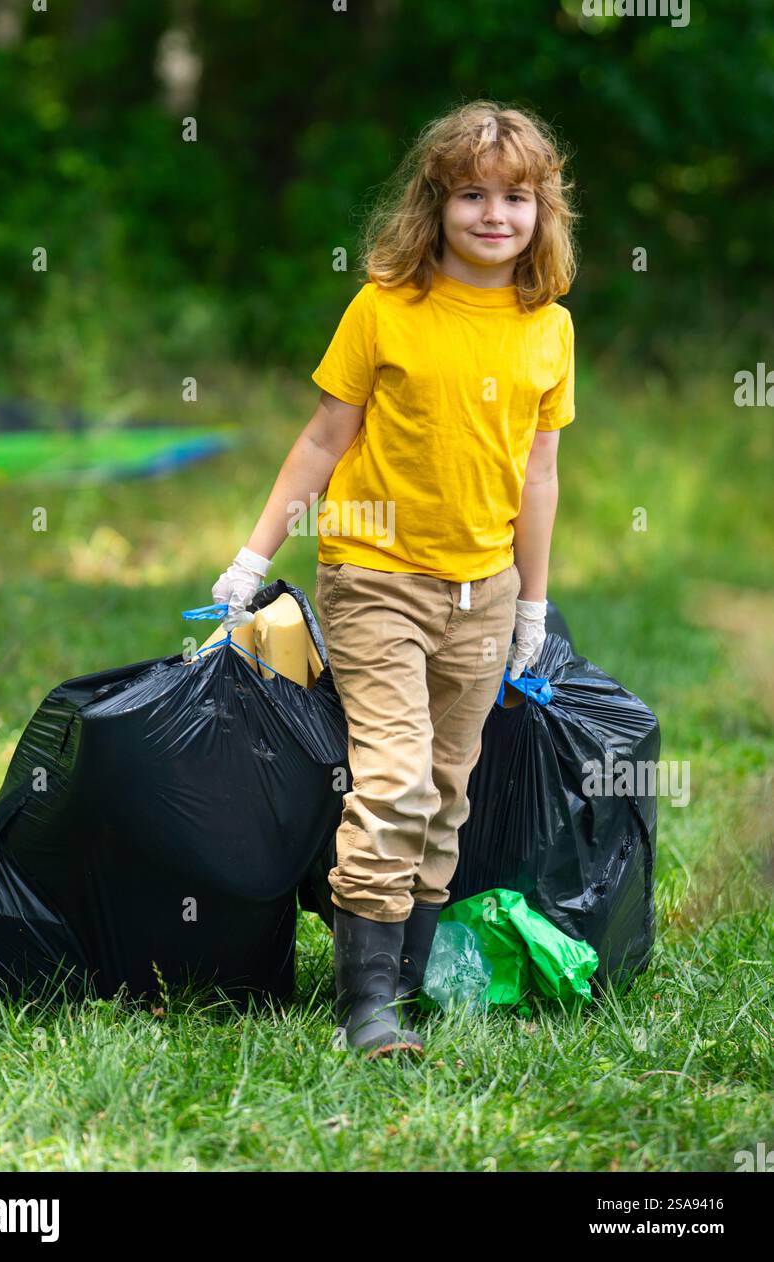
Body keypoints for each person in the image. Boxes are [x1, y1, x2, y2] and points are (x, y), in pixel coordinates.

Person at [212, 100, 578, 1060]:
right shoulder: (385, 305)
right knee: (395, 778)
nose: (494, 214)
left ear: (543, 212)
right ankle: (362, 1005)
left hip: (483, 591)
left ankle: (403, 985)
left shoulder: (548, 328)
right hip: (376, 577)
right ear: (435, 203)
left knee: (447, 790)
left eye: (515, 197)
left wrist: (531, 603)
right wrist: (256, 556)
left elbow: (538, 475)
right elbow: (323, 437)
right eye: (471, 193)